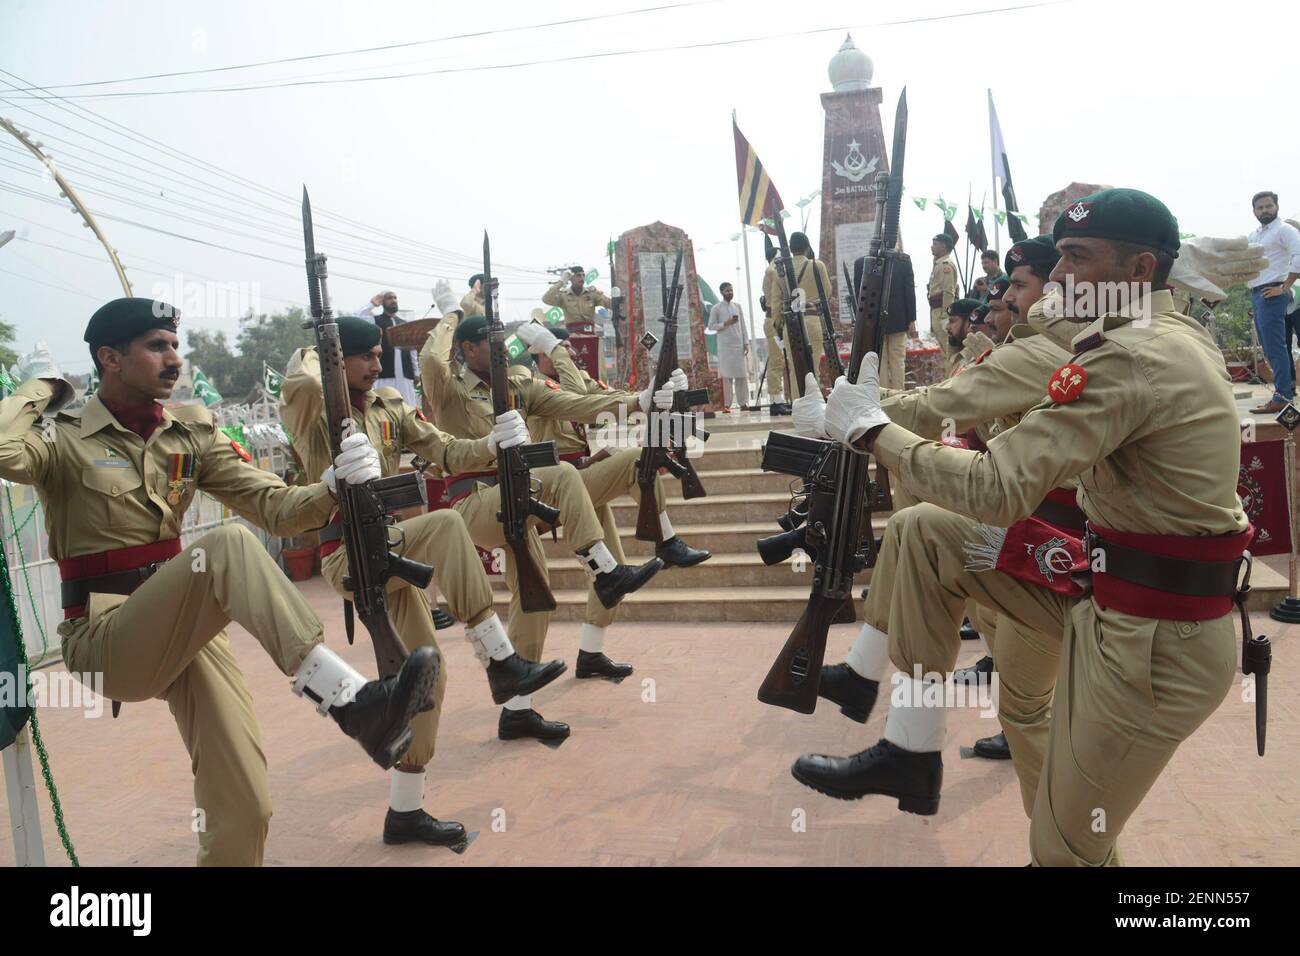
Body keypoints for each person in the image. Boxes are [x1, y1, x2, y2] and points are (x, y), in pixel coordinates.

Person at [792, 189, 1250, 866]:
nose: (1059, 277)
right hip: (1106, 590)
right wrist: (862, 418)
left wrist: (869, 427)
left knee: (1065, 848)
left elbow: (996, 484)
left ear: (1138, 269)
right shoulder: (1146, 337)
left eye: (1074, 257)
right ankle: (911, 748)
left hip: (1156, 635)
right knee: (926, 533)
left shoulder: (1130, 357)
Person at [0, 298, 439, 865]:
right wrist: (44, 387)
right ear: (109, 358)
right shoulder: (61, 437)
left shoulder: (190, 432)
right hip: (105, 635)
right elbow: (5, 450)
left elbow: (277, 510)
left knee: (246, 803)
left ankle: (355, 709)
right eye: (156, 345)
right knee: (227, 545)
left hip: (188, 624)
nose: (174, 358)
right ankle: (350, 702)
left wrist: (334, 484)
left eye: (175, 345)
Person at [281, 316, 567, 846]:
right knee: (444, 522)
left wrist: (493, 443)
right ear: (334, 362)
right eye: (362, 356)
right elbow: (298, 380)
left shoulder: (390, 404)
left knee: (425, 681)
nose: (375, 365)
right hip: (348, 556)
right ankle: (501, 659)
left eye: (376, 355)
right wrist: (319, 342)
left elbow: (446, 452)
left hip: (390, 550)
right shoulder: (313, 405)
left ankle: (405, 813)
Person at [419, 297, 677, 742]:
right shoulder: (449, 390)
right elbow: (428, 357)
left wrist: (640, 400)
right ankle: (604, 569)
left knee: (534, 601)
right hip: (476, 501)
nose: (500, 348)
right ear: (466, 348)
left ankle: (517, 711)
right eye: (488, 341)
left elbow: (578, 406)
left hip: (521, 499)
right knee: (560, 475)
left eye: (502, 340)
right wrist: (455, 314)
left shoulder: (519, 382)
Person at [513, 322, 711, 677]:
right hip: (555, 486)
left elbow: (612, 398)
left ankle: (590, 655)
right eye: (560, 348)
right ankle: (667, 542)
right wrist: (558, 351)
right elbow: (577, 403)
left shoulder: (574, 377)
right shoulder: (529, 386)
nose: (570, 353)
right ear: (539, 353)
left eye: (570, 347)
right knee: (638, 460)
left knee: (613, 577)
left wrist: (659, 390)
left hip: (585, 479)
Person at [1246, 191, 1300, 414]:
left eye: (1268, 206)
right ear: (1254, 211)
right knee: (1269, 347)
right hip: (1258, 293)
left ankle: (1283, 396)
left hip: (1273, 291)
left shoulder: (1284, 230)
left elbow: (1299, 255)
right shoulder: (1255, 235)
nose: (1265, 210)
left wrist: (1285, 288)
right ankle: (1282, 393)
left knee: (1277, 347)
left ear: (1276, 207)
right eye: (1260, 208)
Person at [853, 247, 917, 391]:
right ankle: (899, 396)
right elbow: (909, 291)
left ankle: (883, 397)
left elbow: (859, 295)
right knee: (897, 361)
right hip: (899, 318)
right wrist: (911, 319)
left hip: (872, 320)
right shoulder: (903, 261)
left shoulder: (861, 263)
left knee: (879, 361)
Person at [357, 291, 419, 406]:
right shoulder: (376, 321)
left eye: (395, 298)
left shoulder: (404, 323)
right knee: (384, 406)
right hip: (385, 373)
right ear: (382, 302)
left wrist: (416, 372)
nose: (393, 300)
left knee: (408, 407)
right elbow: (358, 317)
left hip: (405, 375)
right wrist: (372, 304)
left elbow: (413, 350)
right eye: (389, 298)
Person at [707, 281, 750, 410]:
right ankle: (727, 405)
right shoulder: (716, 308)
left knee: (742, 376)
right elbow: (711, 326)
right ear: (721, 292)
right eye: (727, 291)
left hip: (738, 346)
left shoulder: (737, 306)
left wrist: (746, 342)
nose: (730, 293)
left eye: (731, 290)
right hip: (725, 348)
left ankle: (743, 403)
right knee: (727, 377)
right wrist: (726, 323)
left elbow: (743, 326)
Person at [759, 238, 790, 414]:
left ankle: (780, 399)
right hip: (774, 322)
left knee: (781, 361)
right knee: (777, 362)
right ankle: (776, 401)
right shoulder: (772, 271)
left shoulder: (772, 271)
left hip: (778, 321)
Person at [927, 233, 959, 364]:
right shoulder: (938, 264)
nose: (932, 247)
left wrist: (946, 315)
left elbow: (948, 291)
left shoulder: (946, 265)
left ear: (944, 246)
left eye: (935, 244)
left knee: (948, 350)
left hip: (941, 311)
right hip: (935, 309)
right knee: (943, 351)